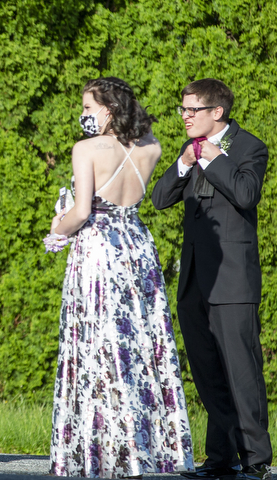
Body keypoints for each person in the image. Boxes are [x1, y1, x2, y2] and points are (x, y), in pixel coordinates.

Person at [45, 77, 194, 478]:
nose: (83, 114)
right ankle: (144, 447)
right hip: (137, 246)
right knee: (141, 344)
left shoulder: (86, 149)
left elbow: (81, 212)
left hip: (98, 249)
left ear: (107, 110)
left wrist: (57, 229)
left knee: (100, 345)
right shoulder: (152, 146)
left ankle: (105, 451)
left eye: (88, 107)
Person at [151, 79, 271, 480]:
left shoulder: (249, 147)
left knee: (241, 371)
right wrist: (185, 162)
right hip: (194, 281)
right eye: (183, 109)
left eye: (193, 110)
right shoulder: (189, 148)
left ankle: (256, 459)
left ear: (216, 112)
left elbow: (246, 194)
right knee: (207, 372)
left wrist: (215, 158)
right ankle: (220, 459)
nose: (185, 116)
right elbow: (159, 198)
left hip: (233, 280)